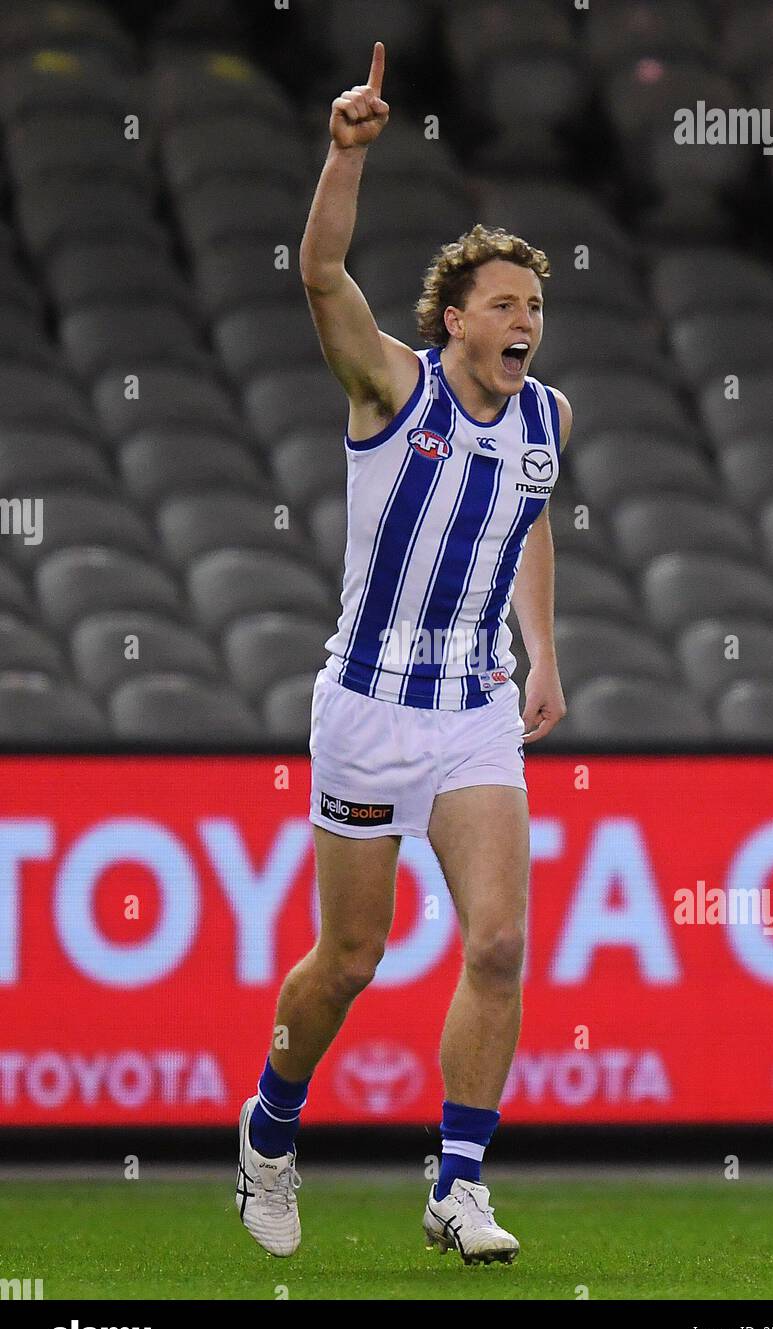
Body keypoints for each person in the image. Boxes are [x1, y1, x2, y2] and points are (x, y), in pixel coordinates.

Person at [236, 40, 571, 1266]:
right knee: (352, 958)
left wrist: (540, 652)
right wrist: (343, 152)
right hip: (369, 708)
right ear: (452, 319)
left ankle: (460, 1183)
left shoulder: (545, 419)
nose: (523, 320)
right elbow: (322, 272)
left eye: (534, 304)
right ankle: (270, 1133)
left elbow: (523, 527)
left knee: (496, 942)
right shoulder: (391, 390)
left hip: (473, 710)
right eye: (502, 303)